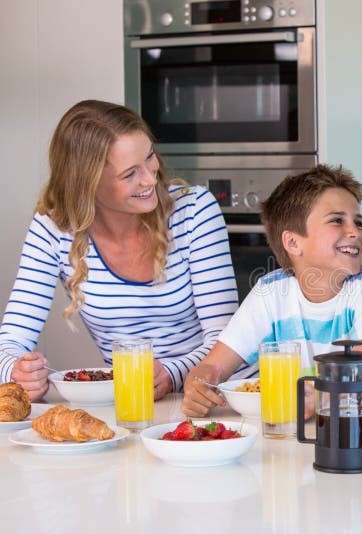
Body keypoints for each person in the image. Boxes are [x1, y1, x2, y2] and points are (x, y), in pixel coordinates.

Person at [0, 100, 238, 401]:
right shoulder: (54, 228)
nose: (150, 179)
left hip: (219, 399)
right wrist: (15, 372)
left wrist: (170, 374)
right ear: (87, 185)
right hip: (133, 404)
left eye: (149, 157)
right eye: (130, 174)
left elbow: (227, 339)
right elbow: (11, 340)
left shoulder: (194, 211)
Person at [181, 164, 362, 417]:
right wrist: (199, 386)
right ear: (293, 242)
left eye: (358, 222)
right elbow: (213, 366)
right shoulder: (271, 292)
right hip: (293, 427)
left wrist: (320, 398)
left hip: (360, 428)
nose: (355, 232)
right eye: (337, 221)